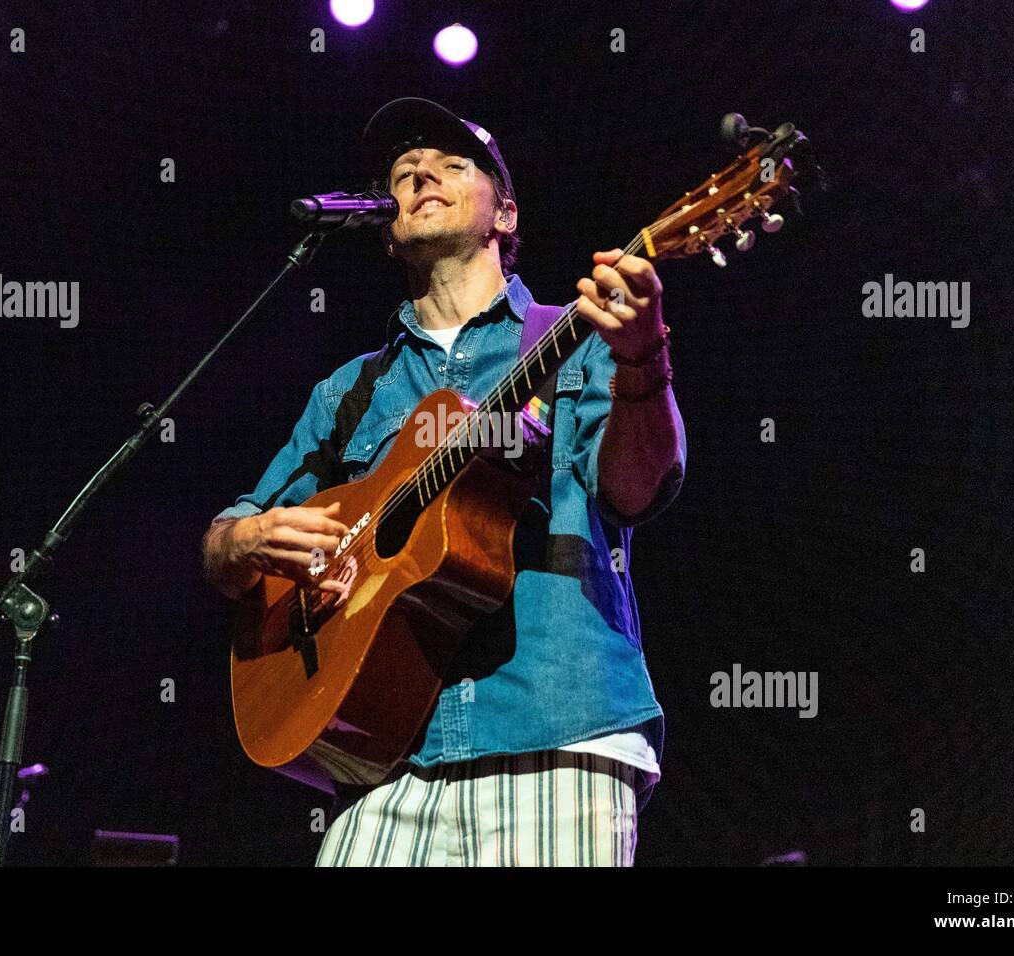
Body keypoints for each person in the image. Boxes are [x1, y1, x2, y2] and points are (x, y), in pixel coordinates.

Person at [202, 97, 686, 866]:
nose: (420, 172)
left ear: (505, 214)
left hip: (552, 734)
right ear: (386, 228)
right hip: (379, 765)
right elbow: (229, 544)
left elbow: (635, 490)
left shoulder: (575, 341)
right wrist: (248, 538)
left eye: (452, 165)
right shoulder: (349, 392)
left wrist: (643, 359)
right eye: (402, 173)